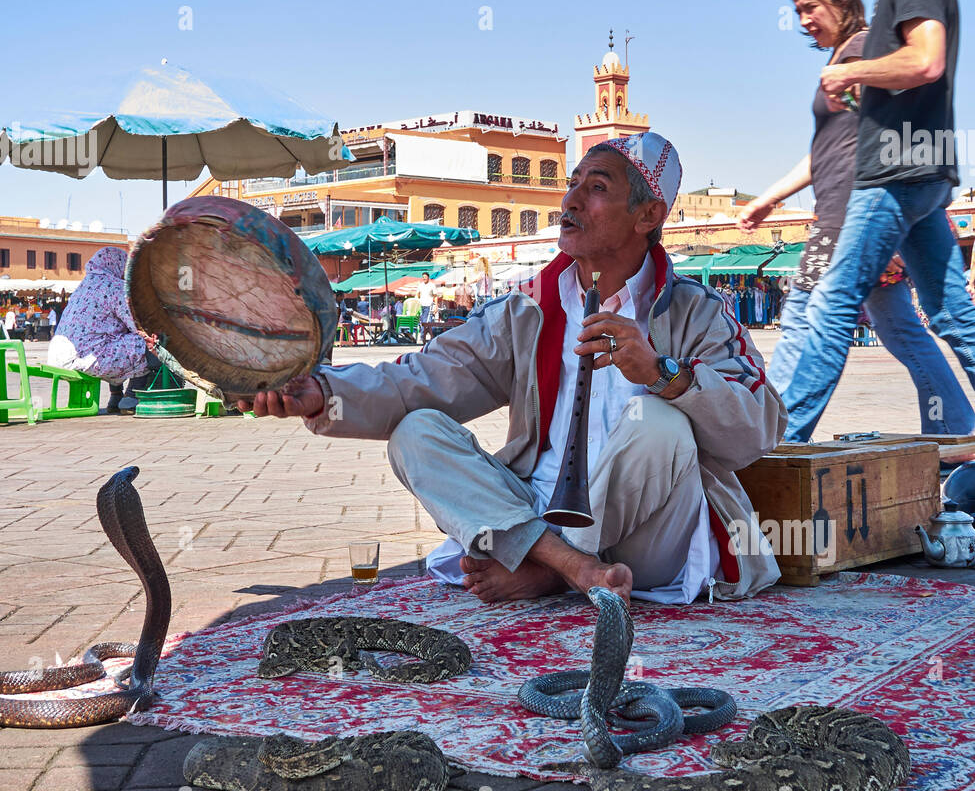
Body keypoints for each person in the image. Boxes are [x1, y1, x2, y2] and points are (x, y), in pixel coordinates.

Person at [237, 132, 786, 607]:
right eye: (572, 183)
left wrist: (666, 373)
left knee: (657, 422)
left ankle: (548, 570)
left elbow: (759, 430)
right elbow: (426, 376)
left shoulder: (697, 310)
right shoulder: (527, 310)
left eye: (596, 188)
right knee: (417, 431)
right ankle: (569, 566)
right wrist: (321, 393)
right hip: (538, 515)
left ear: (648, 216)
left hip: (652, 538)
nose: (570, 200)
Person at [777, 0, 975, 441]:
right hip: (924, 168)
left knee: (832, 306)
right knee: (950, 316)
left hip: (896, 173)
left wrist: (850, 71)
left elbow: (927, 60)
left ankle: (779, 449)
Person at [47, 247, 159, 414]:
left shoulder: (83, 286)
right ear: (119, 265)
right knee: (142, 343)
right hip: (83, 358)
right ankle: (131, 397)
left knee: (113, 342)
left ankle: (115, 396)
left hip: (57, 356)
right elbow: (137, 323)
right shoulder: (115, 286)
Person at [417, 272, 438, 343]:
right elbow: (418, 294)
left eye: (425, 277)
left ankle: (423, 336)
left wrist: (436, 306)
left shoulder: (432, 285)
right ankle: (432, 337)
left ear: (428, 278)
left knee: (425, 321)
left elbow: (435, 296)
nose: (424, 278)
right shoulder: (420, 285)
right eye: (423, 277)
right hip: (421, 306)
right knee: (426, 322)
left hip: (429, 305)